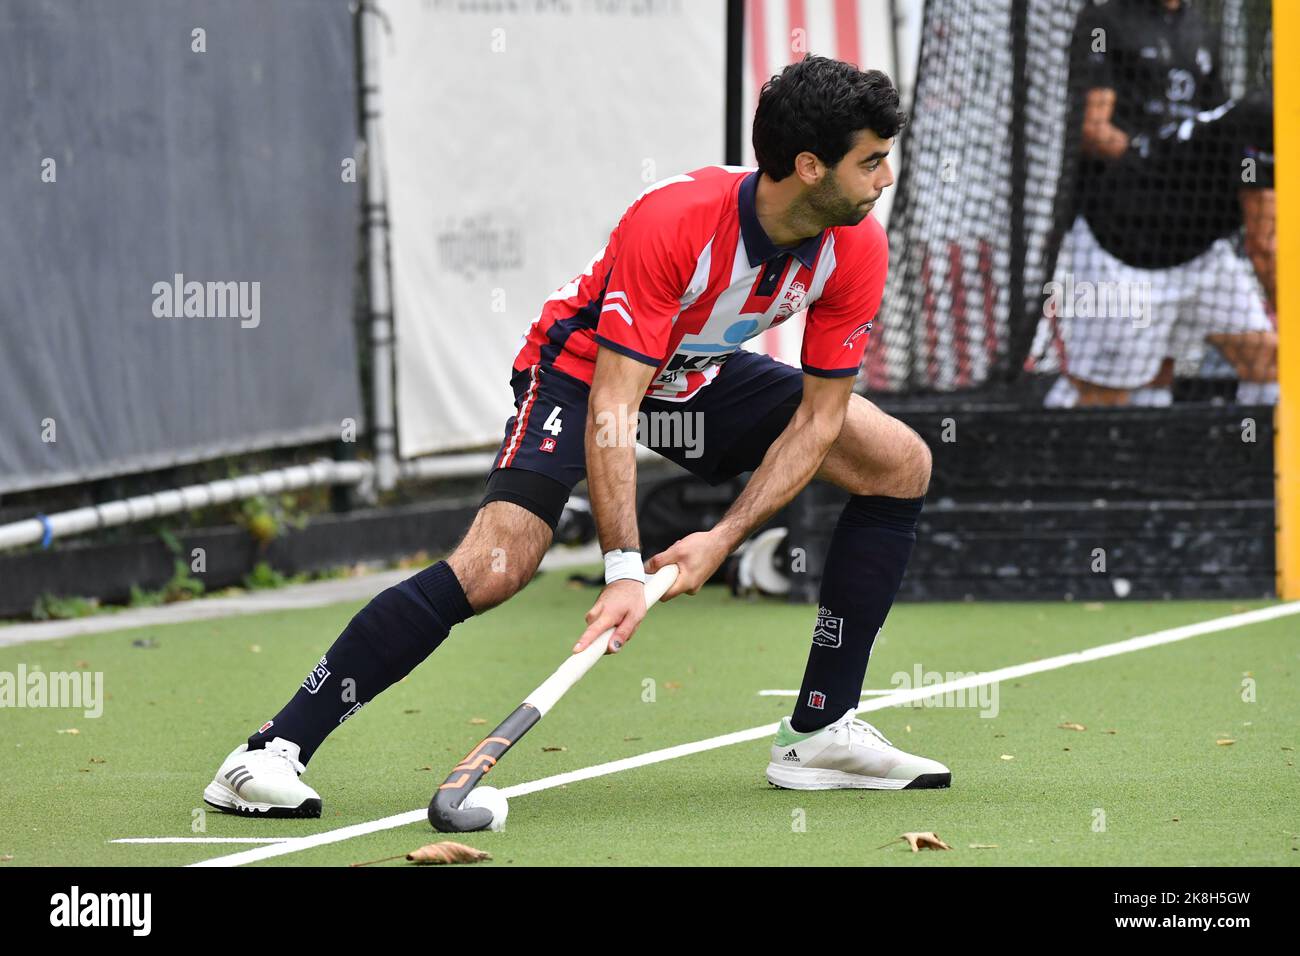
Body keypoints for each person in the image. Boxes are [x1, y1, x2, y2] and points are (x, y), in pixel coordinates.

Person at [203, 55, 949, 818]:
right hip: (584, 371)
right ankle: (268, 749)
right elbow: (613, 407)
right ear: (808, 165)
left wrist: (720, 538)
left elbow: (821, 419)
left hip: (697, 374)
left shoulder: (854, 244)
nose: (886, 178)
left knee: (899, 464)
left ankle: (820, 732)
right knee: (497, 564)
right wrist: (624, 568)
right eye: (872, 161)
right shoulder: (676, 221)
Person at [1040, 0, 1276, 408]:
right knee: (1106, 391)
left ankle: (1258, 466)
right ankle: (1055, 462)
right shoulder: (1106, 21)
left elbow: (1211, 122)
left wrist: (1184, 175)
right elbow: (1093, 130)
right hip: (1125, 237)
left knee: (1269, 362)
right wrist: (1157, 165)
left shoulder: (1201, 28)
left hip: (1195, 239)